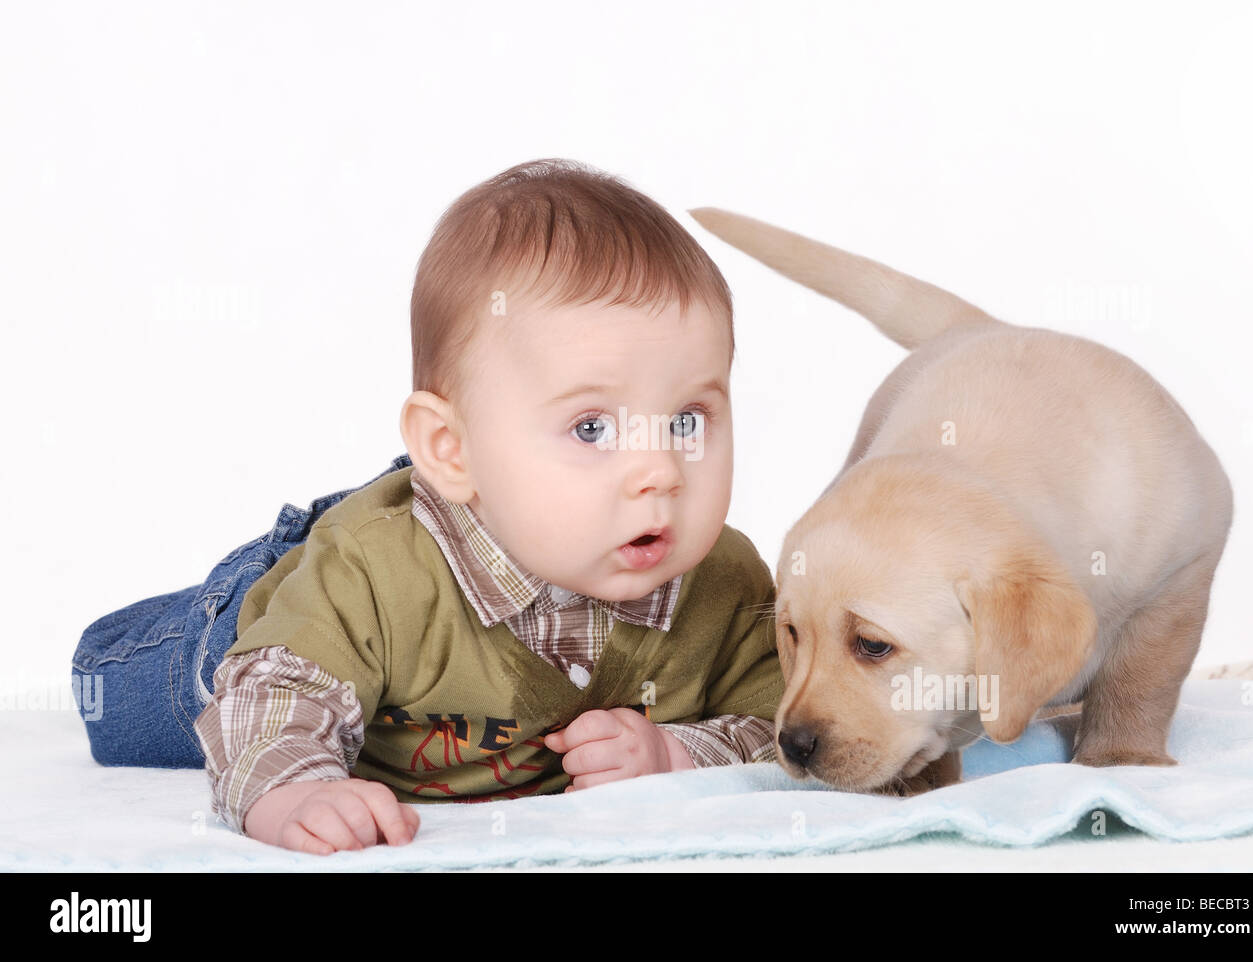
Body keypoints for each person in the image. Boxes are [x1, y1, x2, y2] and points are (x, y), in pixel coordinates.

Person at [72, 158, 783, 855]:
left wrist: (677, 754)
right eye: (592, 428)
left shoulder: (726, 582)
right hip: (265, 626)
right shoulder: (375, 572)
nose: (659, 471)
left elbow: (791, 727)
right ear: (450, 447)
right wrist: (296, 792)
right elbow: (273, 704)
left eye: (687, 421)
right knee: (123, 698)